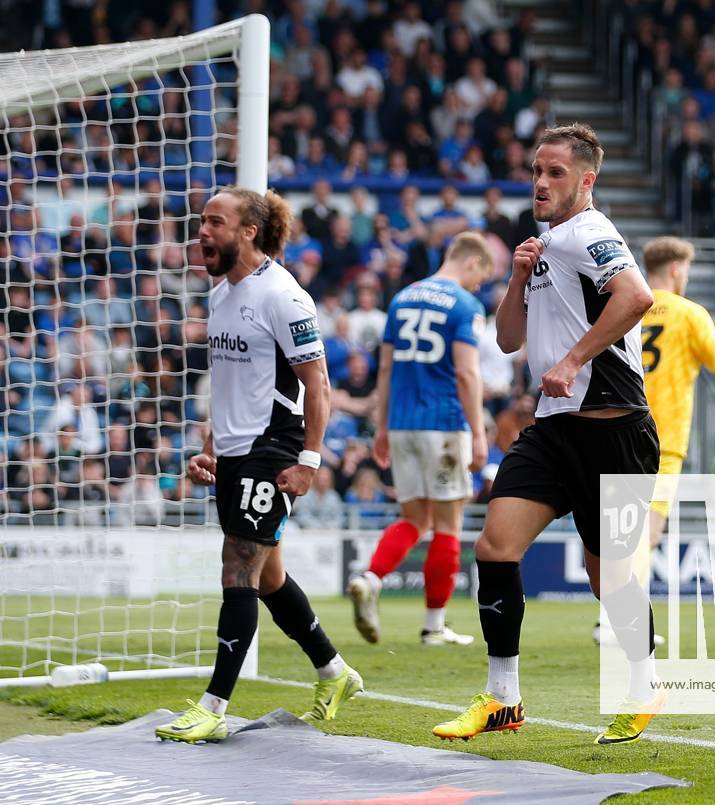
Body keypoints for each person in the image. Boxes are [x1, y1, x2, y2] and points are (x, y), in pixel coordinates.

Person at [431, 124, 661, 746]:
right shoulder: (546, 243)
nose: (540, 181)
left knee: (606, 574)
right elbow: (508, 339)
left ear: (586, 181)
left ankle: (645, 680)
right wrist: (516, 275)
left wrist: (574, 360)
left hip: (614, 430)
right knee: (494, 548)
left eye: (556, 172)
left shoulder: (592, 232)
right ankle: (502, 698)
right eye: (537, 169)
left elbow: (637, 296)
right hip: (553, 431)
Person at [154, 187, 362, 744]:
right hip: (237, 451)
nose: (202, 232)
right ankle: (335, 673)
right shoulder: (223, 293)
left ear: (248, 231)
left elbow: (317, 383)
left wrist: (310, 462)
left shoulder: (283, 296)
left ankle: (213, 705)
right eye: (201, 222)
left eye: (214, 222)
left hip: (276, 449)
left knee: (238, 566)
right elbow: (231, 381)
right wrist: (215, 446)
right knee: (269, 577)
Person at [592, 236, 715, 645]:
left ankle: (607, 617)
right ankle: (618, 621)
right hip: (661, 439)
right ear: (678, 269)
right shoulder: (688, 313)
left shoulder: (626, 303)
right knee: (646, 530)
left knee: (618, 529)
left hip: (613, 426)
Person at [347, 232, 493, 647]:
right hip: (444, 424)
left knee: (415, 518)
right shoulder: (466, 305)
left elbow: (386, 370)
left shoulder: (402, 298)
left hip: (403, 424)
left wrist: (382, 427)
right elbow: (466, 373)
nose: (478, 285)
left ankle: (370, 577)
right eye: (480, 276)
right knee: (448, 524)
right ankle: (434, 626)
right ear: (471, 262)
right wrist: (479, 434)